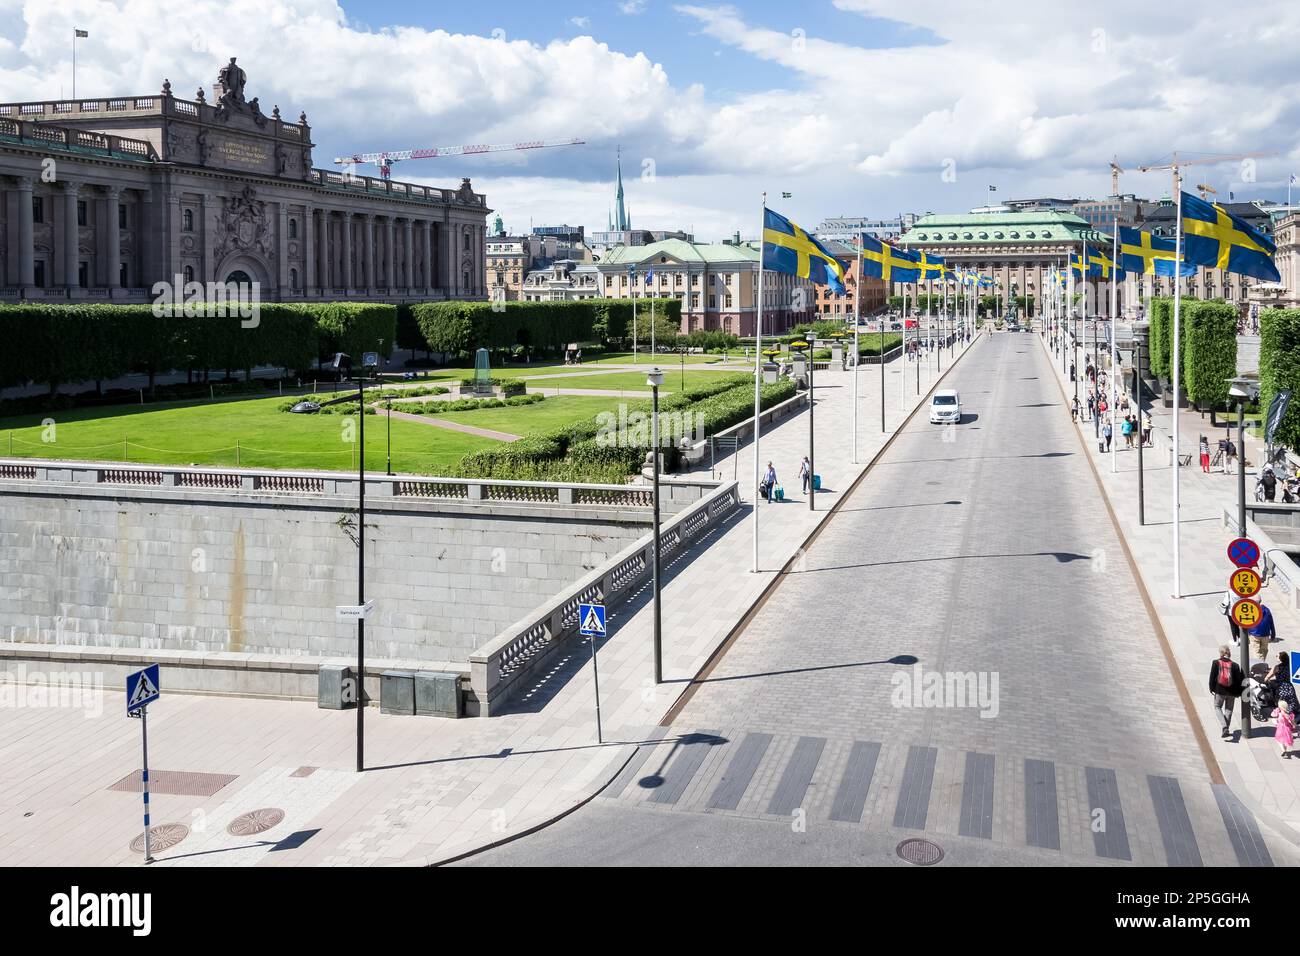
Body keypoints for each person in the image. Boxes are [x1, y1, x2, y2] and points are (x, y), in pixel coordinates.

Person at [1210, 645, 1245, 740]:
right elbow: (1239, 681)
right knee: (1228, 710)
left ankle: (1224, 726)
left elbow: (1212, 677)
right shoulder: (1235, 665)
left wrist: (1212, 689)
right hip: (1232, 692)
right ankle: (1226, 729)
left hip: (1219, 690)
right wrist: (1238, 693)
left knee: (1217, 707)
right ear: (1229, 653)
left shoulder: (1216, 662)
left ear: (1221, 653)